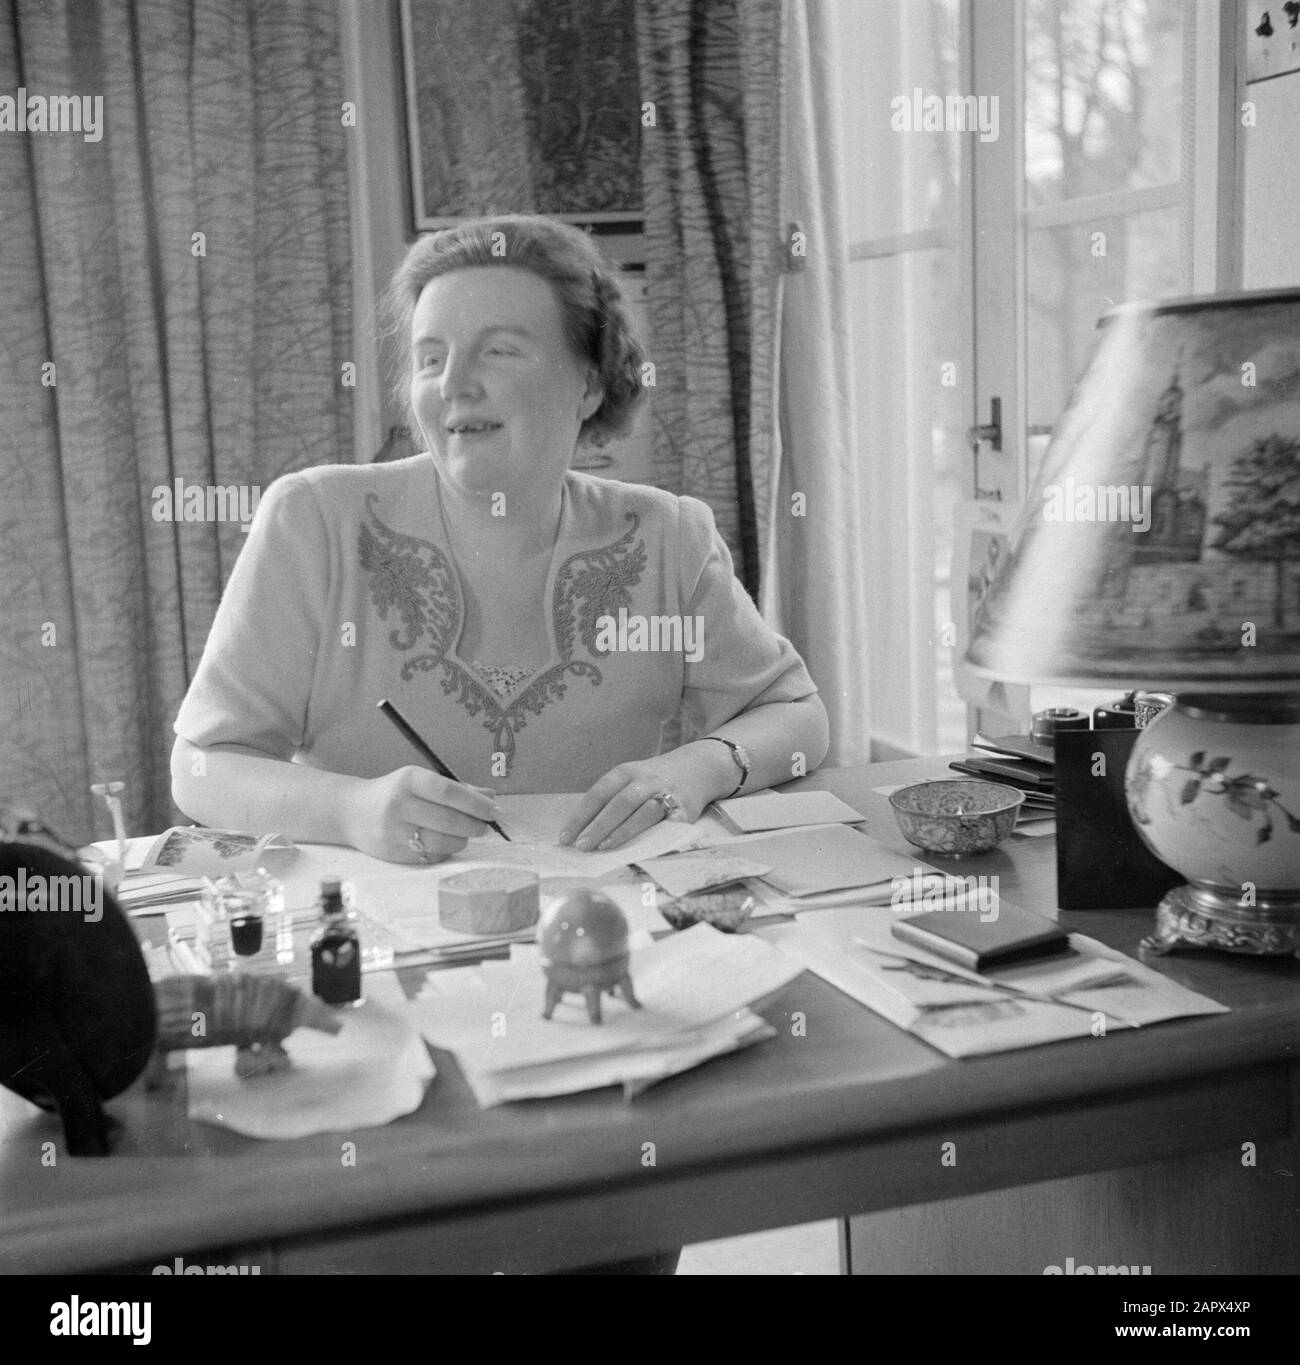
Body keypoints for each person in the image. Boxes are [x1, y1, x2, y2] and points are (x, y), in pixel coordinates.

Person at [171, 214, 829, 864]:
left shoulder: (670, 538)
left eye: (498, 350)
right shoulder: (312, 520)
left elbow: (797, 715)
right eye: (431, 358)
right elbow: (199, 767)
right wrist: (351, 809)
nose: (453, 383)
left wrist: (699, 768)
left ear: (591, 382)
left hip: (609, 929)